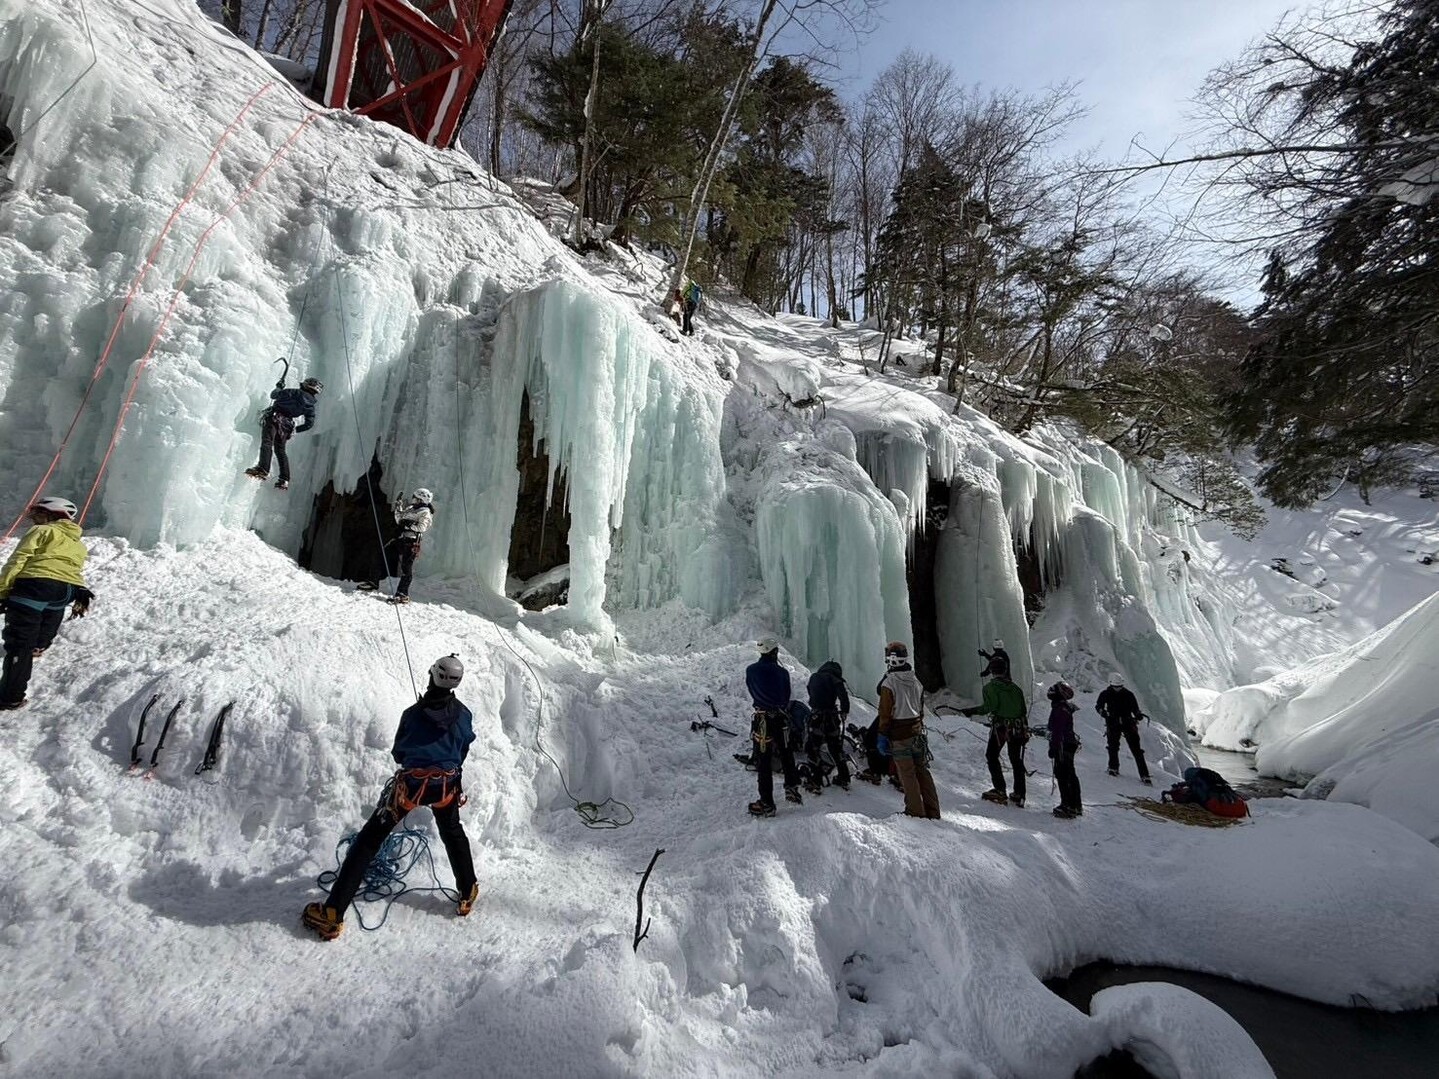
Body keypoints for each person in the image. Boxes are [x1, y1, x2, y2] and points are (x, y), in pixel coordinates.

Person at [302, 655, 478, 940]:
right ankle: (467, 890)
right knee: (452, 831)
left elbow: (400, 753)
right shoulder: (464, 713)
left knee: (369, 840)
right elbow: (464, 746)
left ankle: (332, 913)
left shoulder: (413, 714)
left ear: (433, 675)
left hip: (410, 788)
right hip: (446, 787)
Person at [0, 496, 93, 710]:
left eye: (39, 514)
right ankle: (40, 644)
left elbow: (18, 560)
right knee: (51, 610)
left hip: (35, 585)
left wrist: (3, 591)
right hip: (68, 590)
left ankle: (10, 696)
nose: (35, 519)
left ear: (53, 514)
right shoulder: (78, 543)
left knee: (19, 643)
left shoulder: (42, 531)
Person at [877, 642, 940, 819]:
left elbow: (885, 712)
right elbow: (920, 709)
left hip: (900, 735)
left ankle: (915, 811)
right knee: (923, 772)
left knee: (907, 775)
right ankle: (933, 811)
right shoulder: (915, 680)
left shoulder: (889, 683)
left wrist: (882, 734)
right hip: (917, 732)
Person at [744, 637, 802, 816]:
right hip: (781, 719)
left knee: (764, 761)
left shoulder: (751, 670)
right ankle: (792, 788)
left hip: (762, 721)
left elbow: (751, 689)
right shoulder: (783, 673)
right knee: (786, 753)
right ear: (775, 652)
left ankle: (767, 803)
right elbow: (786, 696)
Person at [964, 668, 1029, 806]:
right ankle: (1019, 793)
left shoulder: (990, 687)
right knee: (1016, 759)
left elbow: (990, 706)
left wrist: (973, 710)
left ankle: (1000, 790)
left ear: (992, 671)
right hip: (1017, 728)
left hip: (1001, 728)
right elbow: (1023, 710)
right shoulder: (1016, 689)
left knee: (992, 755)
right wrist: (1025, 730)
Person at [245, 375, 322, 490]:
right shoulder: (311, 407)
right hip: (287, 426)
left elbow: (274, 395)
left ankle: (263, 468)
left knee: (267, 441)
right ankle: (284, 479)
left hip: (275, 417)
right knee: (280, 451)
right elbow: (309, 424)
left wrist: (279, 387)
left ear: (306, 385)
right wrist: (295, 430)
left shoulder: (292, 392)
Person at [358, 489, 434, 603]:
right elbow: (399, 519)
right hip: (401, 539)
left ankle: (403, 594)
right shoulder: (410, 509)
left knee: (406, 568)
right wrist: (399, 507)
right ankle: (373, 582)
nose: (413, 500)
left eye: (415, 498)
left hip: (412, 541)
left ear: (421, 499)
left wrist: (409, 525)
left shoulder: (425, 512)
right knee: (382, 553)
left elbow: (422, 527)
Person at [805, 660, 851, 792]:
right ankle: (844, 777)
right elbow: (844, 697)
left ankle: (816, 780)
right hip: (831, 718)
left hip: (816, 717)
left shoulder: (814, 677)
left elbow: (810, 692)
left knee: (813, 747)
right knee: (835, 747)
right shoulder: (836, 679)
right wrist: (844, 711)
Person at [1096, 672, 1151, 784]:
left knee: (1136, 750)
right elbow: (1099, 706)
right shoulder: (1106, 694)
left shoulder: (1128, 695)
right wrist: (1103, 713)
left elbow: (1135, 708)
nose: (1117, 689)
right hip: (1114, 722)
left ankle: (1144, 774)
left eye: (1119, 686)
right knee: (1113, 747)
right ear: (1111, 684)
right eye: (1116, 687)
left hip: (1127, 723)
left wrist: (1137, 714)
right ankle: (1113, 767)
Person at [1046, 681, 1082, 818]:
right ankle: (1075, 805)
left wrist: (1054, 747)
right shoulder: (1063, 708)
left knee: (1063, 774)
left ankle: (1068, 805)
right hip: (1068, 744)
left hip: (1063, 745)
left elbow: (1058, 731)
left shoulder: (1060, 709)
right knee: (1069, 774)